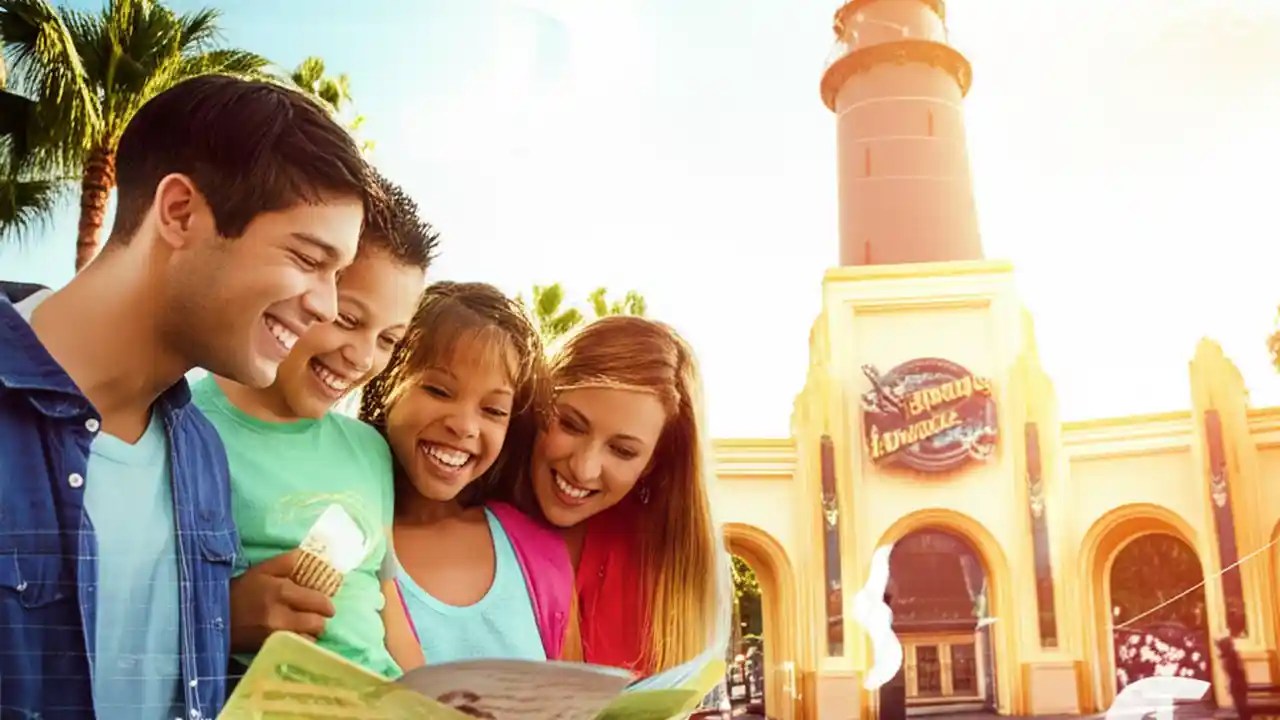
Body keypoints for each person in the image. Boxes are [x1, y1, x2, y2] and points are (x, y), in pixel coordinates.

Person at [0, 75, 375, 720]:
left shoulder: (200, 452)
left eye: (336, 275)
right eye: (309, 258)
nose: (327, 306)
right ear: (179, 213)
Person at [192, 174, 437, 679]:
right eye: (348, 320)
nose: (363, 357)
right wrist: (225, 618)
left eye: (389, 339)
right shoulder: (186, 428)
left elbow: (383, 604)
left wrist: (434, 702)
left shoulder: (370, 449)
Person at [357, 282, 569, 664]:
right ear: (384, 383)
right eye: (439, 390)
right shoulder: (350, 533)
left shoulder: (538, 550)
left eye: (493, 410)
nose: (465, 426)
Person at [517, 315, 731, 678]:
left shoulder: (669, 567)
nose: (584, 468)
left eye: (622, 451)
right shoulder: (468, 514)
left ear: (652, 463)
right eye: (570, 424)